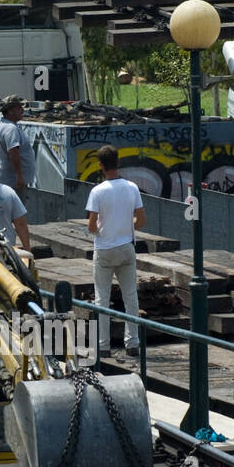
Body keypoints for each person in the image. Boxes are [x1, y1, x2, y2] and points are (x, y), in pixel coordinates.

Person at [86, 144, 145, 359]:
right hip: (126, 247)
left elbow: (92, 226)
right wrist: (125, 224)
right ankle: (133, 343)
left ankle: (103, 346)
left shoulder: (97, 191)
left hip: (104, 249)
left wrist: (102, 228)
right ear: (118, 163)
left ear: (100, 166)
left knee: (102, 298)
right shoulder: (132, 187)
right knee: (131, 296)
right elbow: (142, 220)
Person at [0, 95, 36, 192]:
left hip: (6, 180)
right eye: (19, 108)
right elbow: (13, 153)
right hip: (13, 183)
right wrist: (20, 177)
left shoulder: (1, 123)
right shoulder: (10, 129)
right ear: (10, 111)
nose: (22, 110)